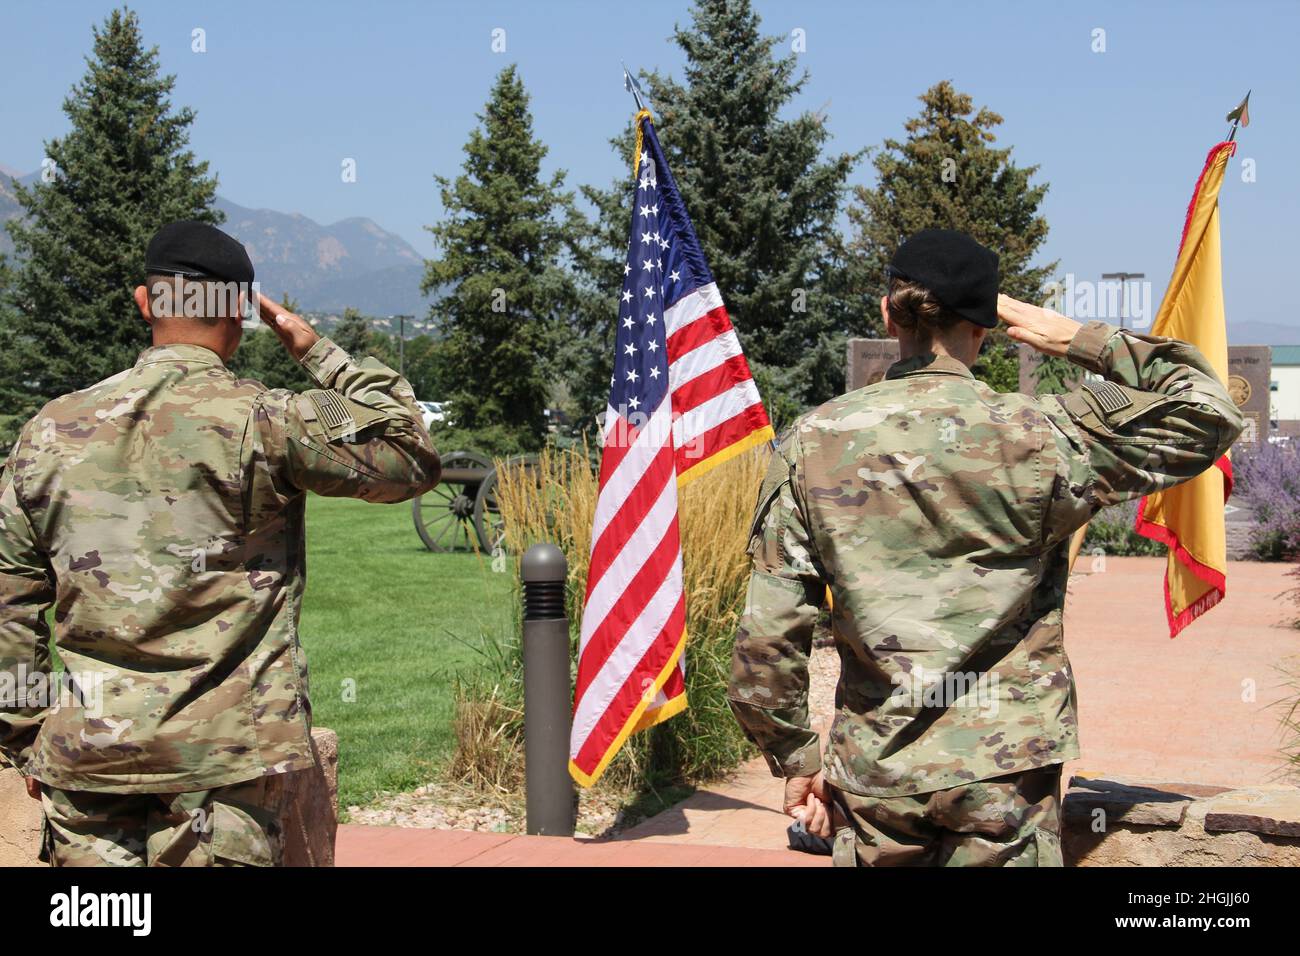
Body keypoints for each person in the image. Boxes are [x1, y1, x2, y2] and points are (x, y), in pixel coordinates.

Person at [727, 228, 1244, 867]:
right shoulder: (1044, 434)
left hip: (878, 769)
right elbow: (1209, 408)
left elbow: (766, 639)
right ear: (988, 323)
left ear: (889, 314)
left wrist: (795, 757)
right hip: (1005, 768)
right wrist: (1067, 334)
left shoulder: (813, 442)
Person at [0, 221, 440, 866]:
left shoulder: (49, 430)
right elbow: (412, 456)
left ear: (145, 302)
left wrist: (26, 736)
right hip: (226, 766)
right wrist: (316, 349)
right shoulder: (268, 419)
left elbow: (8, 604)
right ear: (238, 311)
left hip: (88, 761)